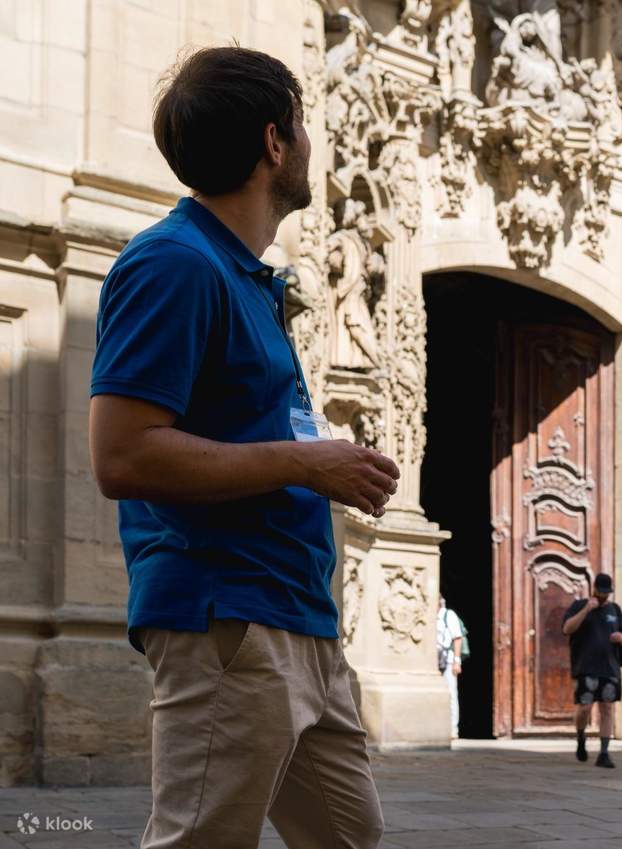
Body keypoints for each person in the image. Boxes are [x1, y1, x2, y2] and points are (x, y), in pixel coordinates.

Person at [89, 47, 398, 849]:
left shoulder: (243, 275)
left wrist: (318, 459)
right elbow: (123, 456)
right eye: (301, 124)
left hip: (299, 618)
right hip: (228, 618)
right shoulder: (174, 264)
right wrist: (308, 462)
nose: (308, 142)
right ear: (273, 141)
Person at [561, 572, 622, 767]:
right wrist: (586, 610)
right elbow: (567, 629)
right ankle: (581, 738)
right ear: (594, 589)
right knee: (585, 708)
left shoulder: (615, 610)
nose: (604, 596)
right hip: (586, 667)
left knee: (607, 708)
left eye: (607, 593)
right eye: (601, 592)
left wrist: (620, 637)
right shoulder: (579, 606)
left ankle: (604, 753)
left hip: (610, 667)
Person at [438, 597, 466, 740]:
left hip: (448, 661)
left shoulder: (448, 615)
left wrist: (456, 661)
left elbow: (457, 638)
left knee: (451, 694)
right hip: (435, 662)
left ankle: (453, 729)